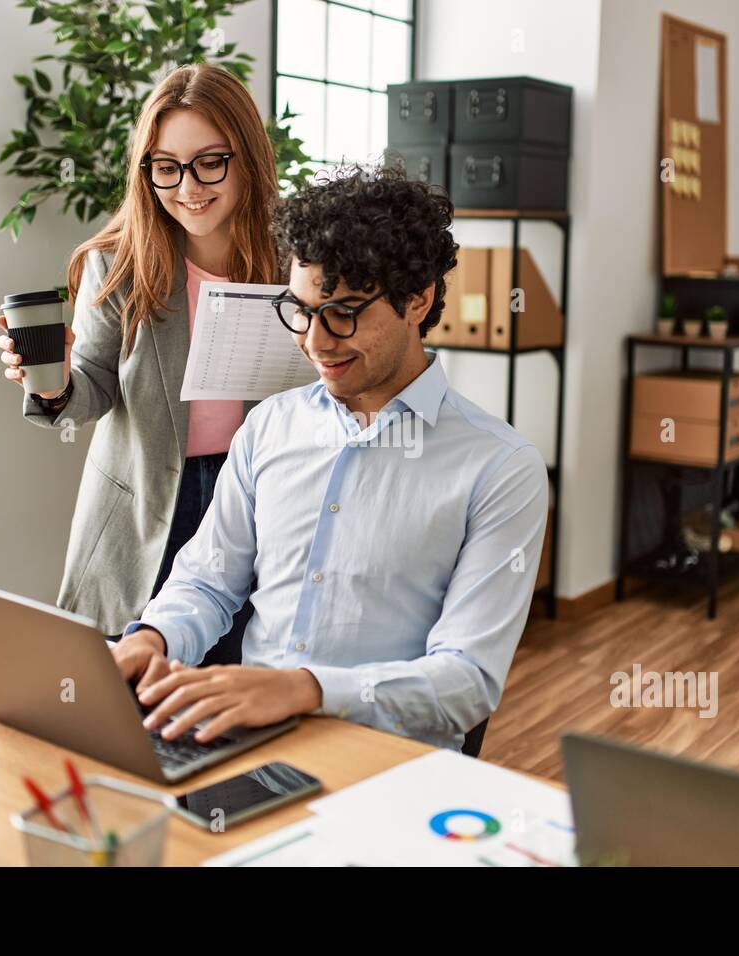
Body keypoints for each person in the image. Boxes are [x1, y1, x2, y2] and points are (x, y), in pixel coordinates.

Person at [111, 164, 550, 750]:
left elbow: (466, 681)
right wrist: (153, 637)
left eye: (343, 313)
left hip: (387, 770)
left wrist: (305, 690)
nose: (315, 342)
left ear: (417, 299)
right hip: (245, 747)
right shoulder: (269, 426)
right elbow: (210, 581)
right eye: (300, 311)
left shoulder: (500, 468)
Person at [0, 65, 279, 658]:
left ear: (247, 156)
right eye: (166, 167)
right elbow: (93, 386)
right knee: (125, 683)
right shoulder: (120, 262)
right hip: (145, 501)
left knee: (239, 682)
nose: (187, 186)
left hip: (257, 497)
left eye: (209, 162)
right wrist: (52, 382)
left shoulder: (294, 257)